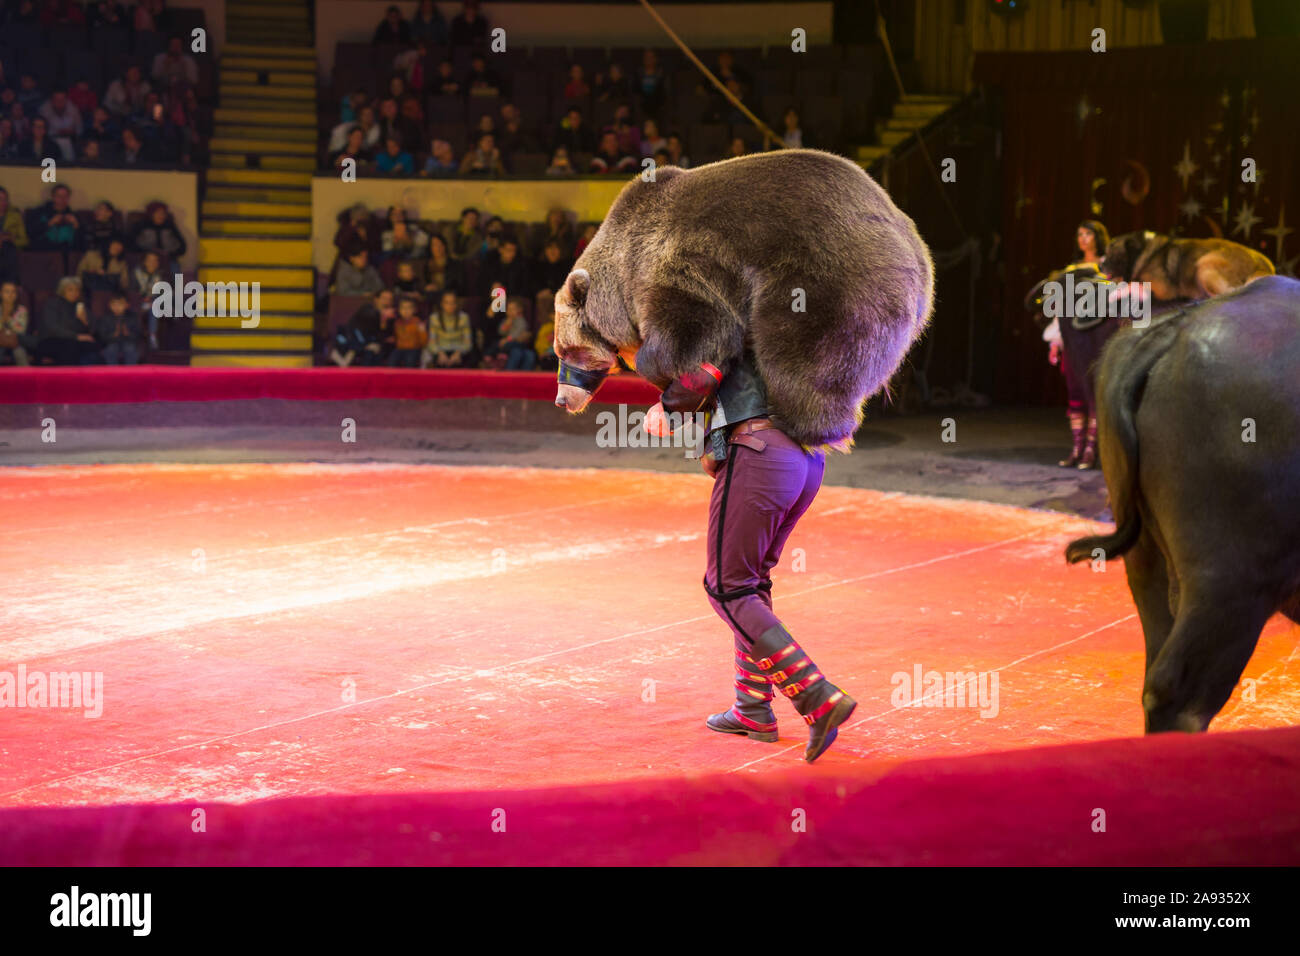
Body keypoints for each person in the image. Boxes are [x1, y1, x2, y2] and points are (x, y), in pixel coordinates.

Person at [640, 353, 856, 761]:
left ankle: (816, 694)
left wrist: (666, 405)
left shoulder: (735, 305)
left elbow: (704, 373)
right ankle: (752, 708)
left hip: (762, 449)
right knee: (751, 582)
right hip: (807, 458)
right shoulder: (790, 319)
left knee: (726, 588)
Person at [1034, 219, 1110, 469]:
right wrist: (1055, 342)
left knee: (1094, 394)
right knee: (1076, 393)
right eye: (1080, 234)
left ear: (1098, 236)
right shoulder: (1071, 269)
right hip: (1073, 339)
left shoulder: (1108, 267)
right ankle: (1077, 448)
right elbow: (1060, 310)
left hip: (1098, 339)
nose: (1083, 238)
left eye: (1088, 234)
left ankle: (1091, 450)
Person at [37, 276, 101, 364]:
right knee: (70, 347)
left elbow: (93, 330)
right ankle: (70, 376)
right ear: (62, 291)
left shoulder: (80, 306)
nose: (74, 293)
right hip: (52, 340)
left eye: (77, 290)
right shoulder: (52, 304)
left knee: (94, 346)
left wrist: (85, 321)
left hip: (75, 341)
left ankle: (89, 375)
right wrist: (76, 337)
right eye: (70, 290)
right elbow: (53, 328)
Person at [424, 290, 473, 368]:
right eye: (447, 303)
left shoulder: (464, 317)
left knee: (467, 359)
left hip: (459, 350)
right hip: (440, 350)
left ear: (457, 304)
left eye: (453, 302)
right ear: (442, 304)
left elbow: (468, 342)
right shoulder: (434, 318)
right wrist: (440, 353)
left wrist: (458, 353)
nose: (450, 306)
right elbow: (432, 342)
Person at [130, 201, 187, 266]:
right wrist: (144, 252)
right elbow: (131, 243)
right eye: (157, 213)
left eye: (163, 213)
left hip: (168, 258)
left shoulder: (170, 225)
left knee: (177, 272)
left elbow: (182, 244)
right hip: (148, 258)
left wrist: (173, 254)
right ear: (151, 214)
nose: (161, 216)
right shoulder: (142, 225)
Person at [95, 290, 141, 364]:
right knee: (111, 350)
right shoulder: (105, 318)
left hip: (128, 342)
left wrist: (127, 333)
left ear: (126, 305)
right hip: (111, 342)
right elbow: (102, 336)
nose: (117, 307)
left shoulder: (132, 317)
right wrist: (114, 335)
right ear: (110, 305)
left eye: (120, 304)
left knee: (130, 349)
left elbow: (137, 334)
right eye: (114, 305)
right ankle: (113, 373)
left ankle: (130, 372)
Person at [388, 294, 427, 367]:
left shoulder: (418, 323)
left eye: (409, 308)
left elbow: (423, 339)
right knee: (392, 360)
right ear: (399, 310)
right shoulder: (397, 322)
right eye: (403, 308)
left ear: (414, 310)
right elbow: (395, 337)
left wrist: (420, 346)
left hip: (414, 349)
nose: (406, 311)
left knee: (410, 361)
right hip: (400, 349)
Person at [0, 280, 31, 366]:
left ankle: (26, 377)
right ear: (1, 293)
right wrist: (3, 318)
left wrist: (9, 319)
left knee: (19, 353)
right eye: (7, 291)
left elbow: (20, 330)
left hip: (15, 341)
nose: (10, 295)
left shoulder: (21, 310)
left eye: (13, 292)